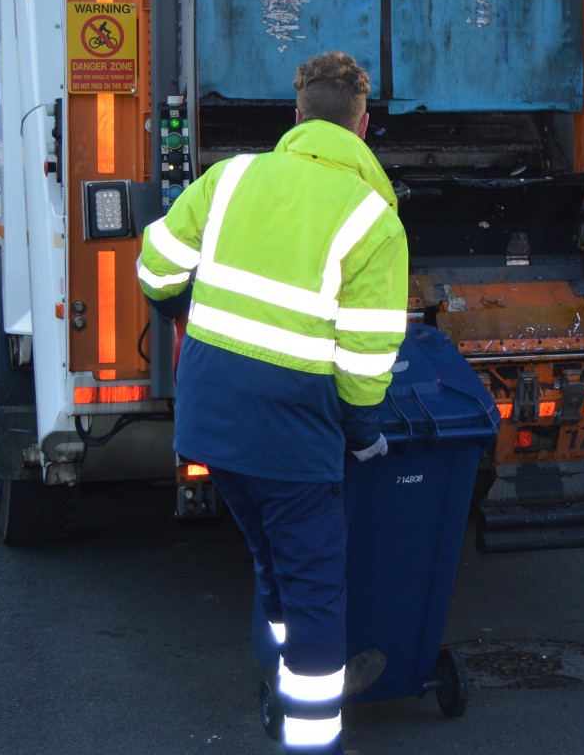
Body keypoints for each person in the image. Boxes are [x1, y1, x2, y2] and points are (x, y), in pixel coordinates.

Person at [138, 51, 408, 755]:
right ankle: (312, 737)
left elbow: (155, 268)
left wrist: (185, 310)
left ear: (296, 117)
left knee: (274, 563)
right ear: (363, 124)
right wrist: (363, 432)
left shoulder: (229, 179)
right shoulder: (375, 219)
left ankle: (290, 679)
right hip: (291, 438)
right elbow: (366, 358)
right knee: (318, 589)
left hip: (212, 426)